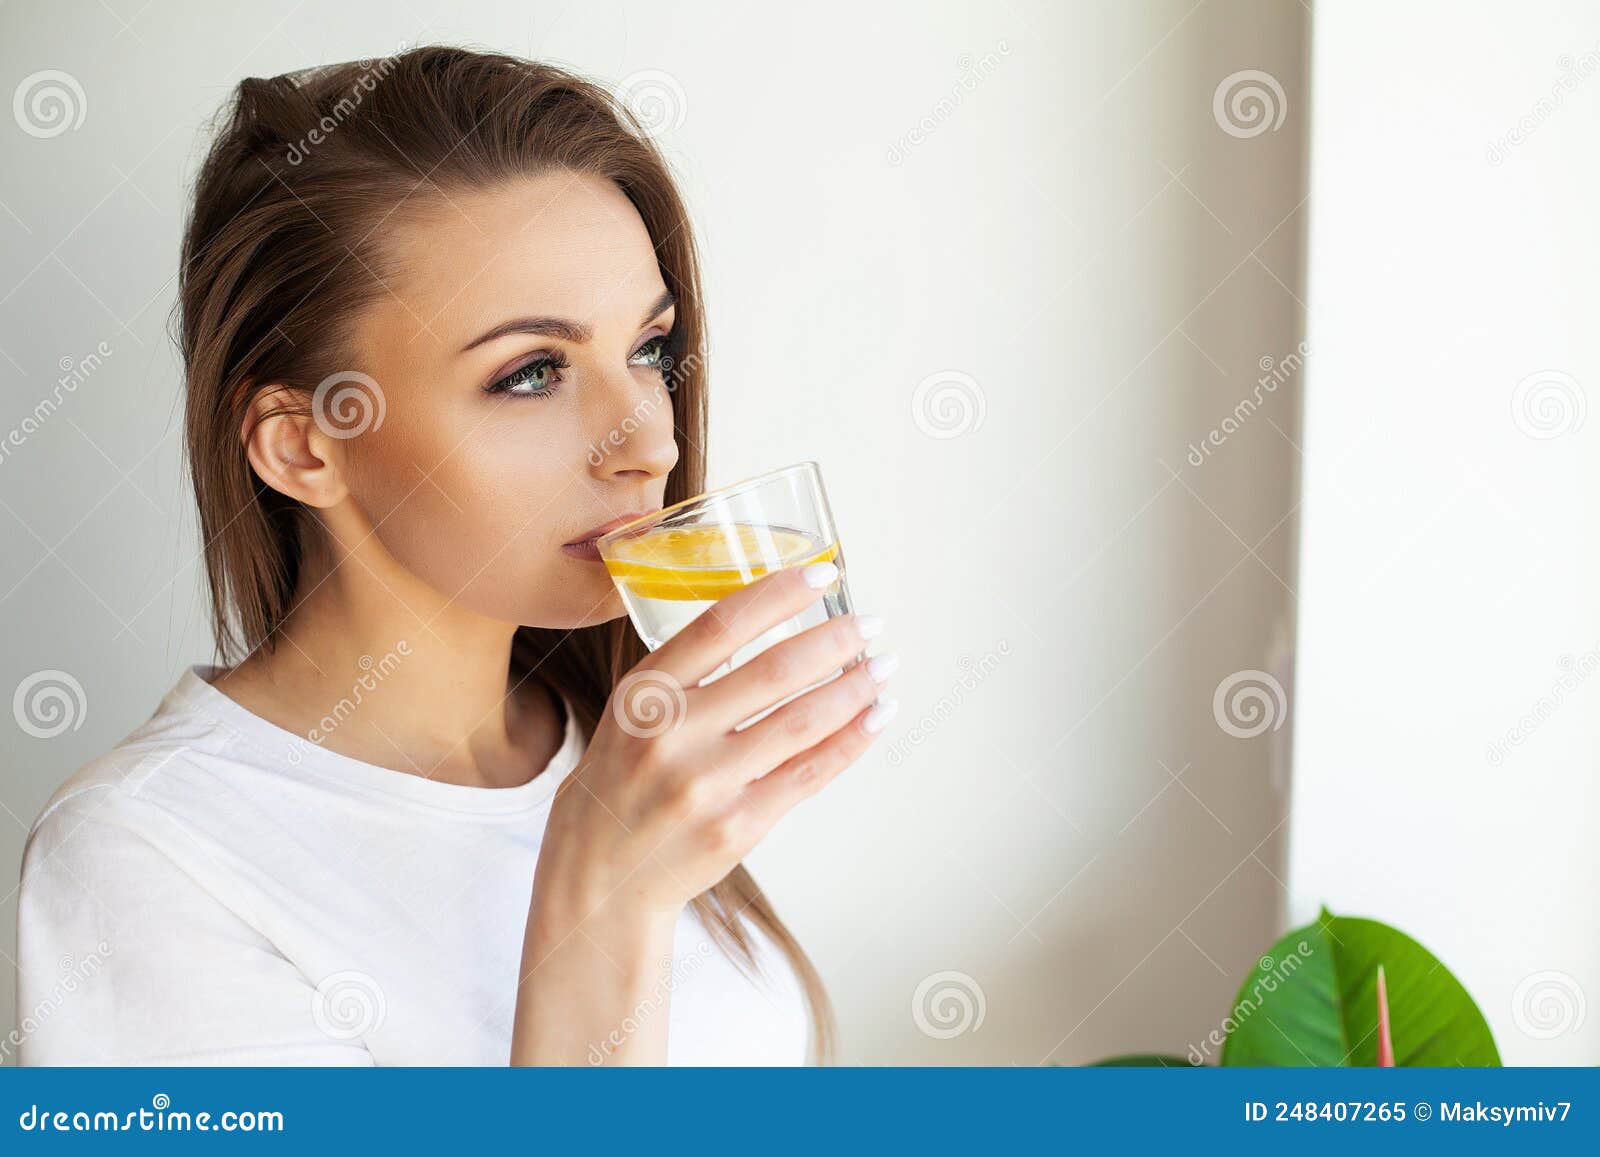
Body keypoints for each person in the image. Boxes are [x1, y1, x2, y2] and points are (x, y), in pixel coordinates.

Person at [14, 46, 898, 1066]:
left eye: (648, 351)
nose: (650, 440)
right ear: (305, 443)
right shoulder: (148, 859)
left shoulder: (619, 749)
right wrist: (597, 897)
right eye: (531, 373)